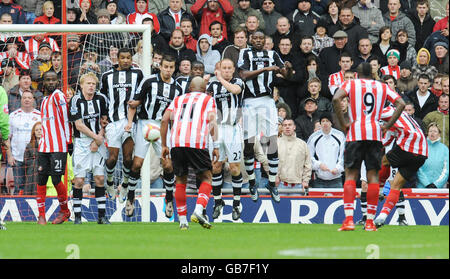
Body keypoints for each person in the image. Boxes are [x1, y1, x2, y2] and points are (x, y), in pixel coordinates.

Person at [332, 62, 406, 231]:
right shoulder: (382, 86)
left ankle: (349, 220)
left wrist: (343, 122)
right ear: (372, 74)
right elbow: (401, 103)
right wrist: (388, 125)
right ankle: (370, 222)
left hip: (355, 133)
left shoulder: (350, 83)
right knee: (373, 177)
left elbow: (336, 98)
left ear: (357, 74)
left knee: (351, 175)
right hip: (374, 134)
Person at [238, 31, 293, 203]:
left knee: (271, 143)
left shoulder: (272, 54)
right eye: (255, 38)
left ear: (266, 41)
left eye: (262, 38)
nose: (259, 41)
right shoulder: (245, 53)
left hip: (268, 101)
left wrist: (288, 69)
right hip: (248, 102)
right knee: (248, 145)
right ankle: (252, 183)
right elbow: (243, 75)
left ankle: (271, 184)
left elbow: (286, 75)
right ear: (250, 40)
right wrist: (266, 69)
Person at [160, 76, 219, 230]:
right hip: (196, 142)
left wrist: (164, 145)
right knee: (206, 177)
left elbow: (164, 120)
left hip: (176, 142)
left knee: (180, 180)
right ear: (205, 89)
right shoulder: (208, 99)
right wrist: (216, 146)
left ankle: (183, 222)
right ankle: (199, 210)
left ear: (189, 89)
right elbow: (212, 121)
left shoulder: (178, 99)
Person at [126, 55, 181, 218]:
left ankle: (169, 198)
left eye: (171, 67)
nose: (168, 70)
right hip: (144, 124)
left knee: (168, 165)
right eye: (166, 67)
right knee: (137, 164)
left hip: (162, 127)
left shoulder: (177, 89)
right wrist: (130, 122)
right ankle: (130, 198)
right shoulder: (148, 81)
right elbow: (134, 102)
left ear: (174, 68)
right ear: (161, 66)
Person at [100, 48, 144, 206]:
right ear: (117, 59)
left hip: (130, 121)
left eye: (128, 58)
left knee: (127, 158)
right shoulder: (107, 76)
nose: (126, 60)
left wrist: (137, 104)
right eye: (122, 58)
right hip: (112, 122)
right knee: (111, 159)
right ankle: (110, 182)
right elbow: (103, 98)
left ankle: (125, 184)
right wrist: (102, 117)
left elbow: (142, 95)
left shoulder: (138, 74)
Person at [373, 104, 429, 227]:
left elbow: (372, 116)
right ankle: (382, 217)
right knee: (396, 185)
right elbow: (386, 141)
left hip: (409, 144)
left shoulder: (389, 110)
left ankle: (381, 188)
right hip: (422, 153)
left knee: (383, 161)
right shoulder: (400, 120)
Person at [69, 72, 110, 225]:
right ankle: (78, 217)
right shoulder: (75, 100)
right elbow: (78, 124)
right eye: (88, 83)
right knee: (79, 180)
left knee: (99, 178)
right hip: (81, 142)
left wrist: (99, 139)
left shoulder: (101, 98)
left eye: (93, 83)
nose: (91, 86)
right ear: (81, 85)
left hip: (99, 140)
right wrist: (95, 138)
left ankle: (101, 216)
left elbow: (105, 120)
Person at [207, 58, 245, 221]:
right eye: (224, 68)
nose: (227, 70)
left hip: (233, 129)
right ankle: (217, 202)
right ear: (219, 69)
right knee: (216, 167)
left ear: (233, 69)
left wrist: (220, 78)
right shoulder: (212, 86)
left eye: (230, 68)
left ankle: (236, 203)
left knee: (235, 168)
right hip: (217, 129)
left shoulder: (239, 82)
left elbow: (235, 91)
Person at [35, 70, 72, 225]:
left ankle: (65, 211)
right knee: (41, 178)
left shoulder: (59, 96)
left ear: (57, 81)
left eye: (53, 80)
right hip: (44, 146)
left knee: (56, 178)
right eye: (48, 80)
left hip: (58, 146)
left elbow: (66, 120)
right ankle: (41, 215)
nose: (50, 82)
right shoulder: (44, 100)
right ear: (43, 82)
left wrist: (69, 142)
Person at [6, 90, 40, 195]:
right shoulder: (13, 116)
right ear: (21, 100)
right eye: (24, 97)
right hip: (17, 159)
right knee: (18, 188)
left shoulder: (39, 115)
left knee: (33, 187)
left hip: (34, 159)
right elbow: (7, 138)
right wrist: (10, 156)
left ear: (33, 100)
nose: (27, 100)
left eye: (29, 98)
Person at [307, 112, 345, 188]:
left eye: (327, 121)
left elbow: (344, 155)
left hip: (336, 179)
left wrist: (338, 168)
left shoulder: (340, 136)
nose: (325, 123)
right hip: (319, 180)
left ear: (331, 123)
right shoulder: (314, 137)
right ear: (320, 123)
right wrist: (318, 165)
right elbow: (308, 156)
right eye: (323, 121)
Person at [276, 118, 311, 194]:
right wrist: (275, 177)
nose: (287, 127)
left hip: (298, 186)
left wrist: (305, 180)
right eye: (285, 125)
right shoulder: (276, 143)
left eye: (290, 125)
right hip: (280, 185)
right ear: (282, 127)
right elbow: (271, 162)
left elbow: (308, 164)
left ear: (294, 127)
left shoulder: (302, 144)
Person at [416, 123, 449, 188]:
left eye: (435, 131)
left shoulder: (444, 149)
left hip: (439, 188)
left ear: (439, 134)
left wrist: (436, 184)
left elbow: (446, 169)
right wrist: (426, 183)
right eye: (430, 131)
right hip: (422, 187)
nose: (432, 133)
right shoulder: (422, 147)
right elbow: (418, 167)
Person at [23, 122, 42, 195]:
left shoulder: (48, 144)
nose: (39, 131)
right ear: (34, 132)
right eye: (36, 130)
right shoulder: (29, 145)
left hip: (43, 171)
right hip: (31, 171)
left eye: (40, 129)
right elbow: (25, 160)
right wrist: (35, 160)